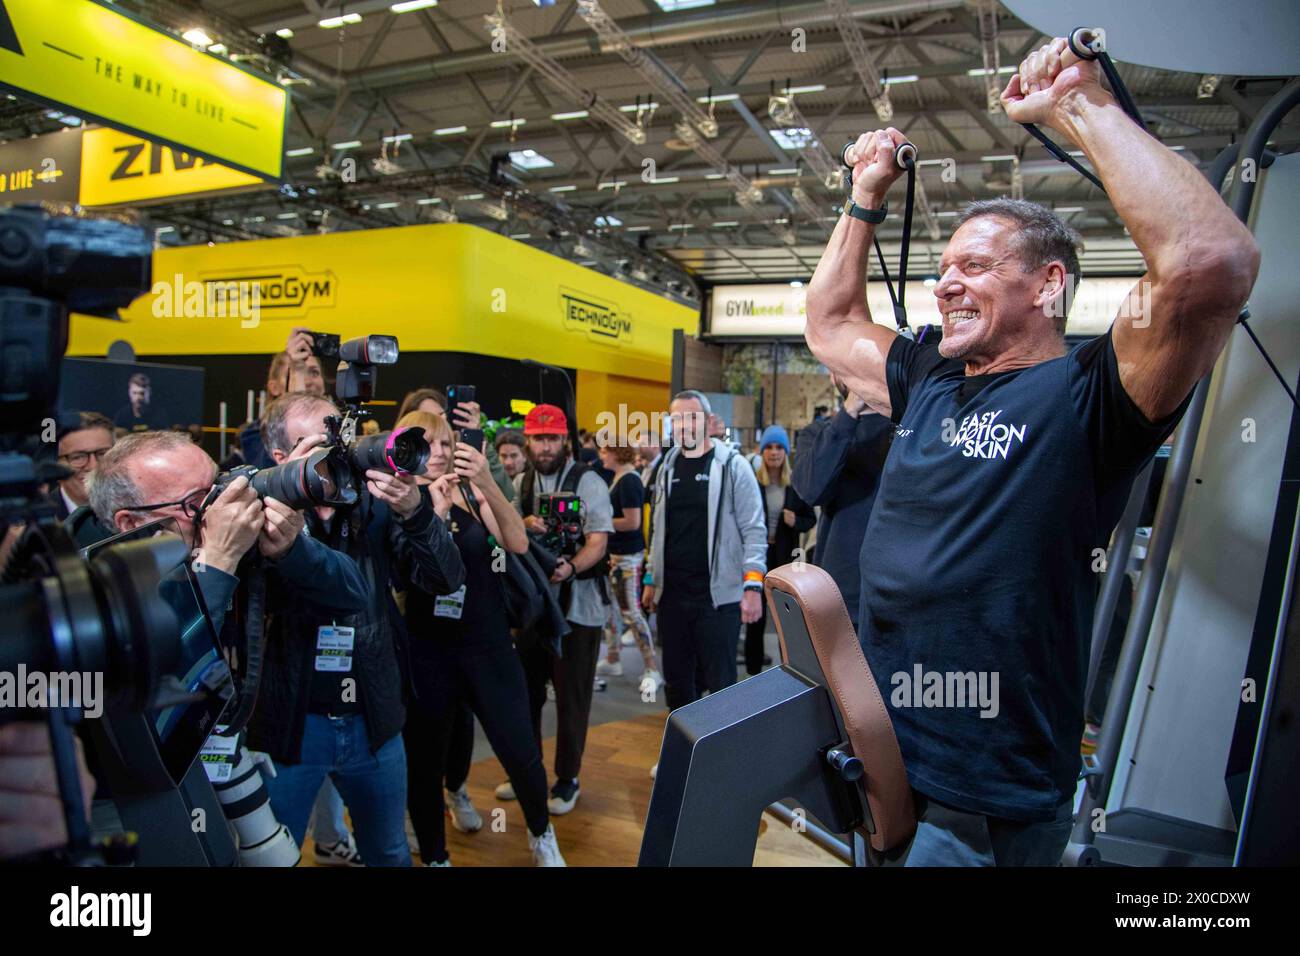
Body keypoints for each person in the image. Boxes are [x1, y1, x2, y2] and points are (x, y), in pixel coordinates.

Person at [803, 36, 1259, 866]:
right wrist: (864, 194)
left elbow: (1210, 263)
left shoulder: (1093, 395)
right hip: (882, 757)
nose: (945, 283)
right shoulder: (930, 376)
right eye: (943, 268)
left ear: (1048, 285)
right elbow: (830, 326)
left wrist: (1079, 105)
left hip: (990, 797)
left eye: (974, 266)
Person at [249, 392, 465, 866]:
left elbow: (446, 579)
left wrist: (417, 512)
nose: (338, 451)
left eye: (340, 437)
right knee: (271, 856)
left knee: (388, 850)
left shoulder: (376, 504)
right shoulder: (257, 514)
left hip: (374, 716)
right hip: (290, 724)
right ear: (283, 457)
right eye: (319, 442)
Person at [395, 410, 565, 866]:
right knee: (426, 761)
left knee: (520, 749)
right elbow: (400, 571)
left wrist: (486, 482)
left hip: (487, 643)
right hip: (428, 649)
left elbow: (518, 544)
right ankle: (434, 855)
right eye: (426, 444)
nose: (439, 454)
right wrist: (433, 511)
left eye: (447, 444)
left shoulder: (472, 492)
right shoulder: (399, 501)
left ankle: (542, 836)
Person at [501, 403, 612, 815]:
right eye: (538, 438)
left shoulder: (588, 482)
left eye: (552, 438)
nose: (545, 446)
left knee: (572, 696)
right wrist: (523, 524)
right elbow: (505, 531)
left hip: (579, 606)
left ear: (564, 440)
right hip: (533, 604)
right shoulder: (521, 481)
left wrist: (571, 566)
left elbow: (599, 540)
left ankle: (568, 779)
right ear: (527, 441)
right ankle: (527, 773)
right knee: (524, 694)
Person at [643, 391, 766, 712]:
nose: (684, 425)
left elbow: (754, 530)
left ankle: (722, 760)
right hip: (671, 597)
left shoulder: (733, 467)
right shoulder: (666, 468)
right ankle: (684, 758)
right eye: (678, 419)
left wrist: (753, 586)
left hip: (718, 600)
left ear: (708, 422)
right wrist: (650, 578)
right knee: (678, 684)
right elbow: (657, 531)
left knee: (720, 684)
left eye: (692, 417)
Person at [791, 374, 893, 631]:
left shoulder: (907, 426)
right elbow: (812, 490)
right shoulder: (818, 433)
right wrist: (850, 411)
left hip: (898, 597)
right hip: (840, 597)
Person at [744, 425, 815, 676]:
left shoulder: (794, 484)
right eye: (769, 448)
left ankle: (789, 672)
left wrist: (795, 521)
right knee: (756, 617)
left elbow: (810, 519)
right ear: (762, 452)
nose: (774, 453)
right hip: (759, 556)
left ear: (785, 452)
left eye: (779, 448)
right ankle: (753, 671)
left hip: (785, 560)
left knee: (786, 618)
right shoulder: (753, 483)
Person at [594, 438, 662, 696]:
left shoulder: (629, 480)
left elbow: (632, 522)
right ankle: (613, 658)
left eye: (604, 451)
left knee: (631, 612)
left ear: (615, 452)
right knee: (613, 611)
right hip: (617, 555)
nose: (601, 456)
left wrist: (601, 520)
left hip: (627, 557)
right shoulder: (622, 478)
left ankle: (651, 666)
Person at [397, 387, 514, 501]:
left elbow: (506, 497)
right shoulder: (393, 488)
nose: (439, 452)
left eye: (441, 417)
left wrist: (477, 439)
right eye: (427, 418)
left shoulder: (459, 456)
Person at [53, 412, 114, 520]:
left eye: (102, 454)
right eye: (77, 457)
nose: (93, 466)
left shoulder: (138, 507)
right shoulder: (37, 520)